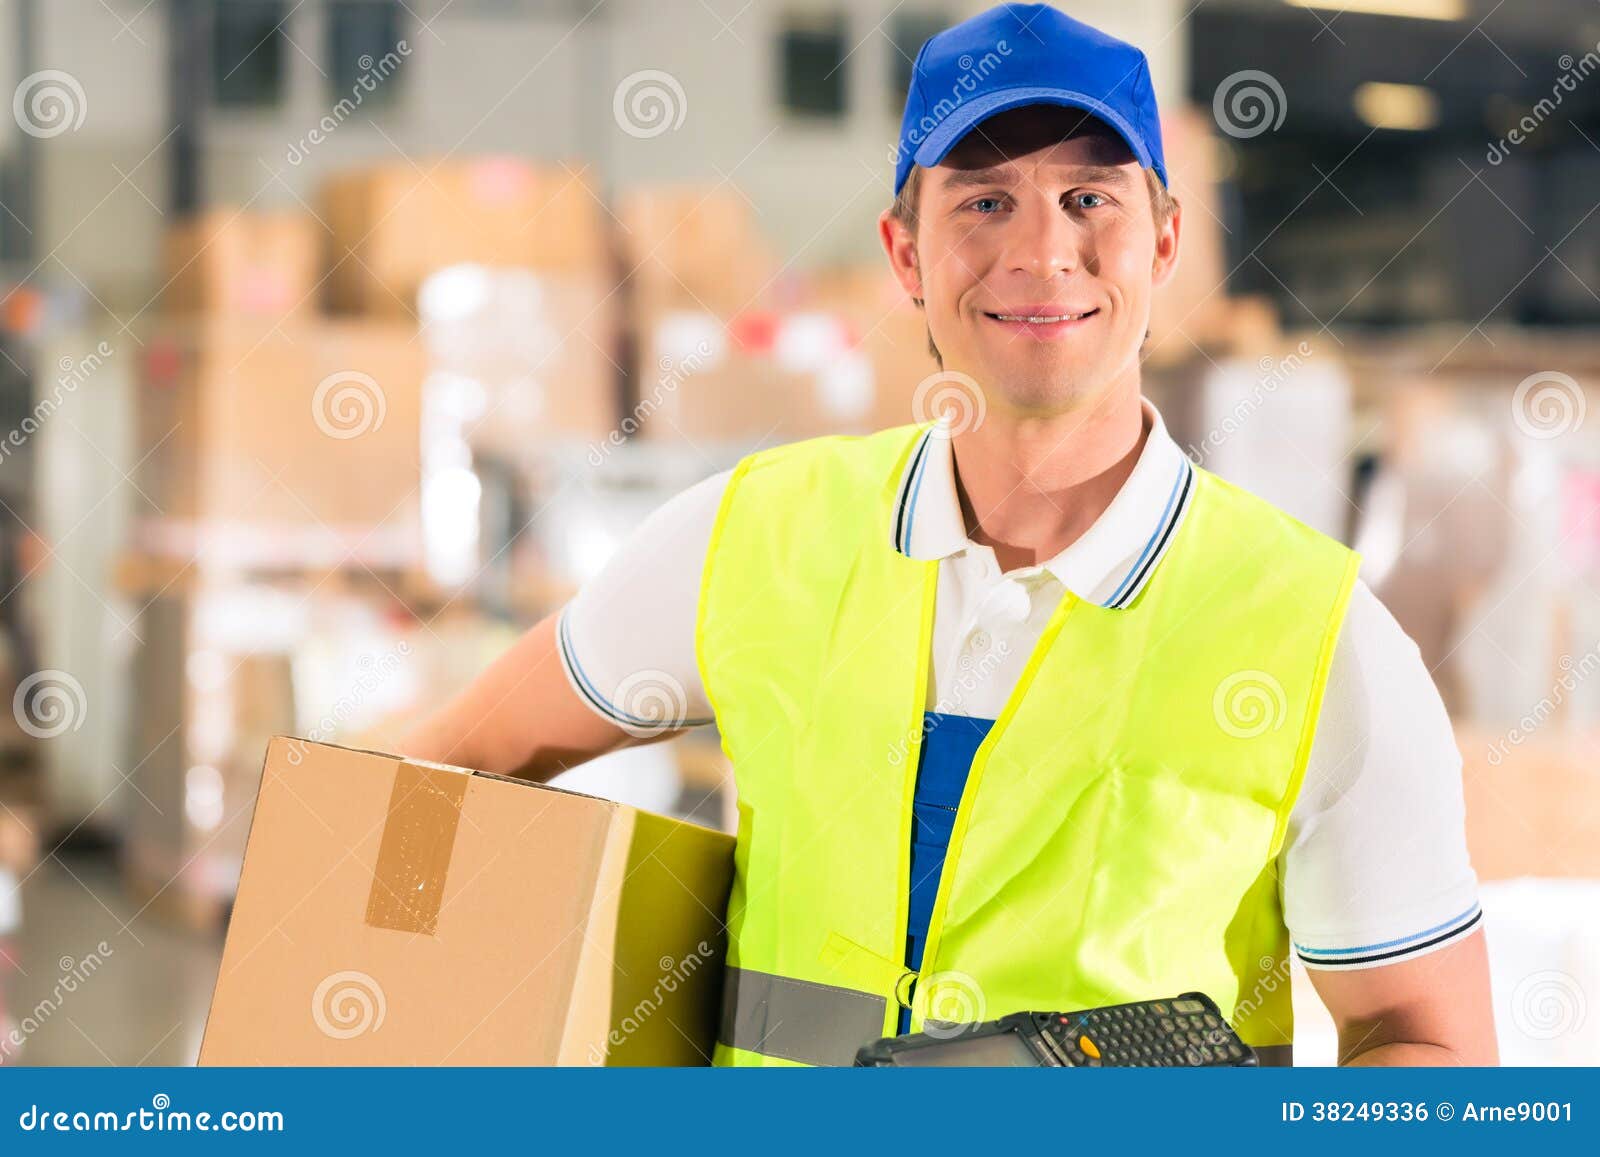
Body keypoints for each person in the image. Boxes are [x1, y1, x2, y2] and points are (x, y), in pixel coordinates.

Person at [403, 4, 1495, 1067]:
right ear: (905, 254)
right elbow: (443, 772)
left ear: (1164, 241)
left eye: (1088, 198)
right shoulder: (747, 538)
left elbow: (1429, 1040)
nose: (1042, 251)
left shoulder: (1314, 634)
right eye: (983, 202)